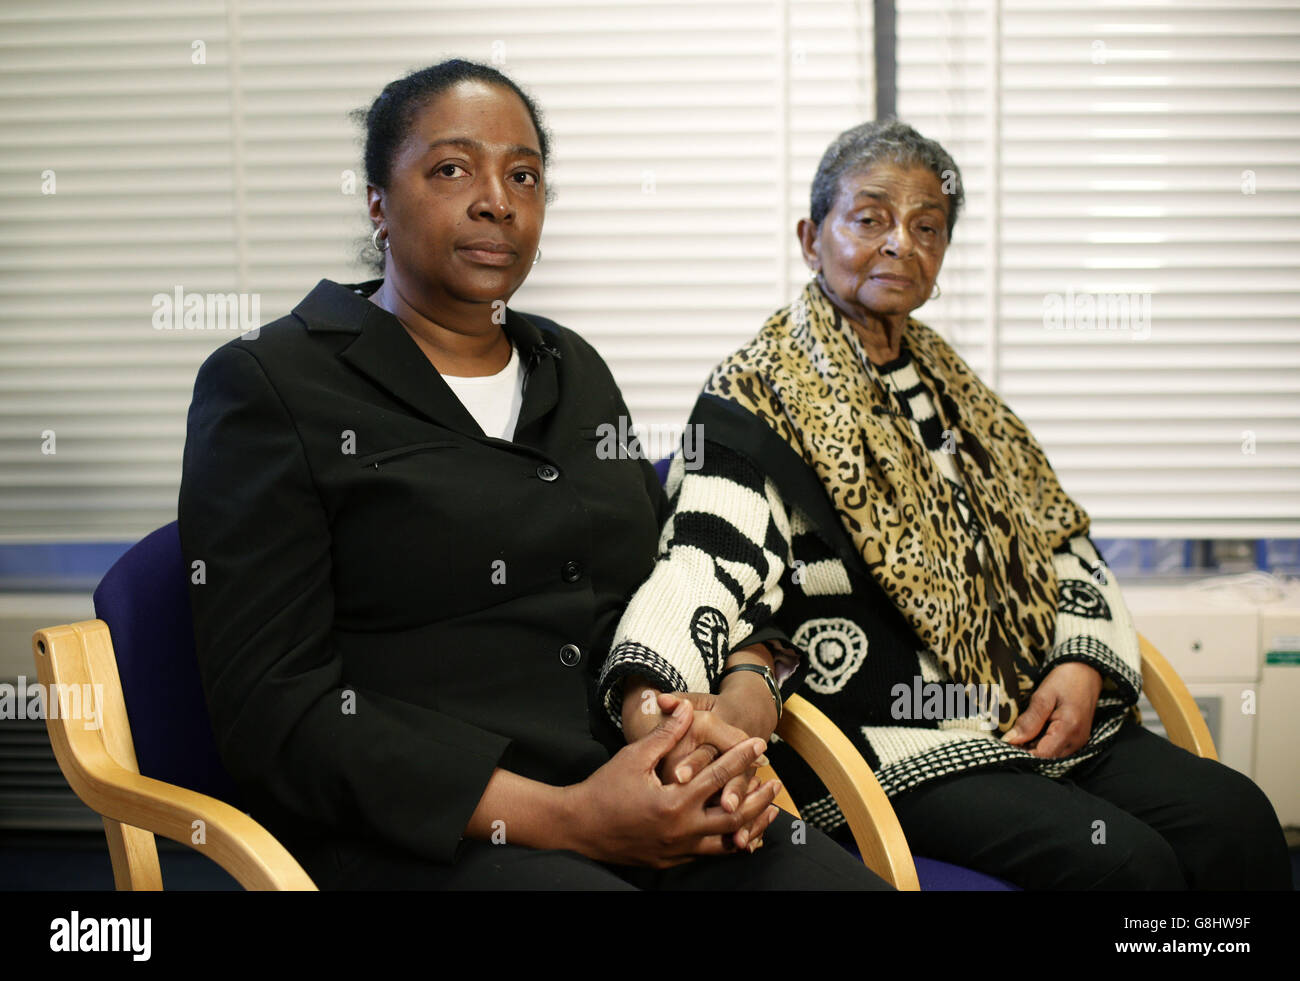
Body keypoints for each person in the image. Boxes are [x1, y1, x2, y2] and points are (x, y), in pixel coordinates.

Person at [178, 59, 887, 890]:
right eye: (451, 168)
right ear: (377, 202)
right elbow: (275, 712)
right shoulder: (271, 382)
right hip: (428, 832)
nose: (496, 199)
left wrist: (737, 686)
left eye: (524, 175)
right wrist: (570, 818)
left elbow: (662, 584)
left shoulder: (572, 366)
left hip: (638, 784)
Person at [599, 119, 1291, 890]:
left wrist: (1079, 660)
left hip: (1027, 707)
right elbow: (703, 562)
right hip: (885, 737)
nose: (901, 243)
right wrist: (654, 692)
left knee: (1237, 817)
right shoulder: (755, 396)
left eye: (927, 226)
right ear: (811, 235)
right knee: (1129, 864)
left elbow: (1064, 541)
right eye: (870, 219)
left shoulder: (958, 391)